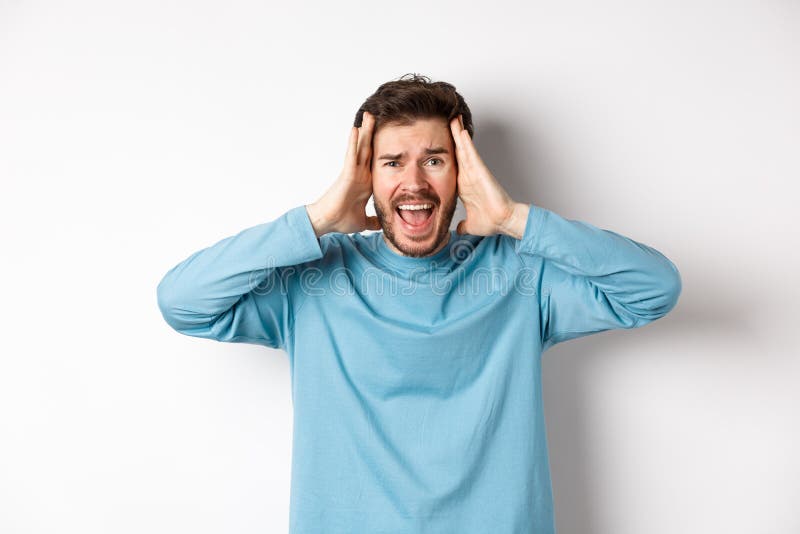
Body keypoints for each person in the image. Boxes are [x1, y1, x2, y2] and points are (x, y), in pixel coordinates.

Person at [156, 73, 682, 534]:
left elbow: (654, 288)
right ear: (366, 176)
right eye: (392, 163)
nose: (414, 183)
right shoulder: (312, 279)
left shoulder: (523, 274)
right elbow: (184, 302)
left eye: (435, 160)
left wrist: (512, 217)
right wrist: (317, 217)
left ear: (464, 173)